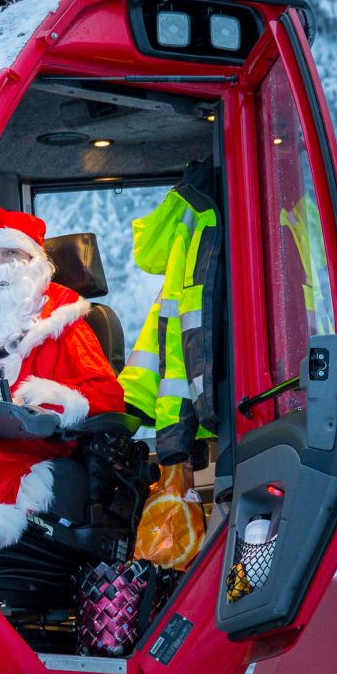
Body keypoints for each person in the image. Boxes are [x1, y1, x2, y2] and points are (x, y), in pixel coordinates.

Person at [0, 207, 125, 547]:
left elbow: (107, 396)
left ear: (33, 261)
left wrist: (42, 404)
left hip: (36, 447)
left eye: (11, 253)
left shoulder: (63, 322)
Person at [119, 158, 221, 508]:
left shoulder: (192, 213)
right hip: (208, 405)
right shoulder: (196, 213)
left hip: (199, 407)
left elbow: (150, 253)